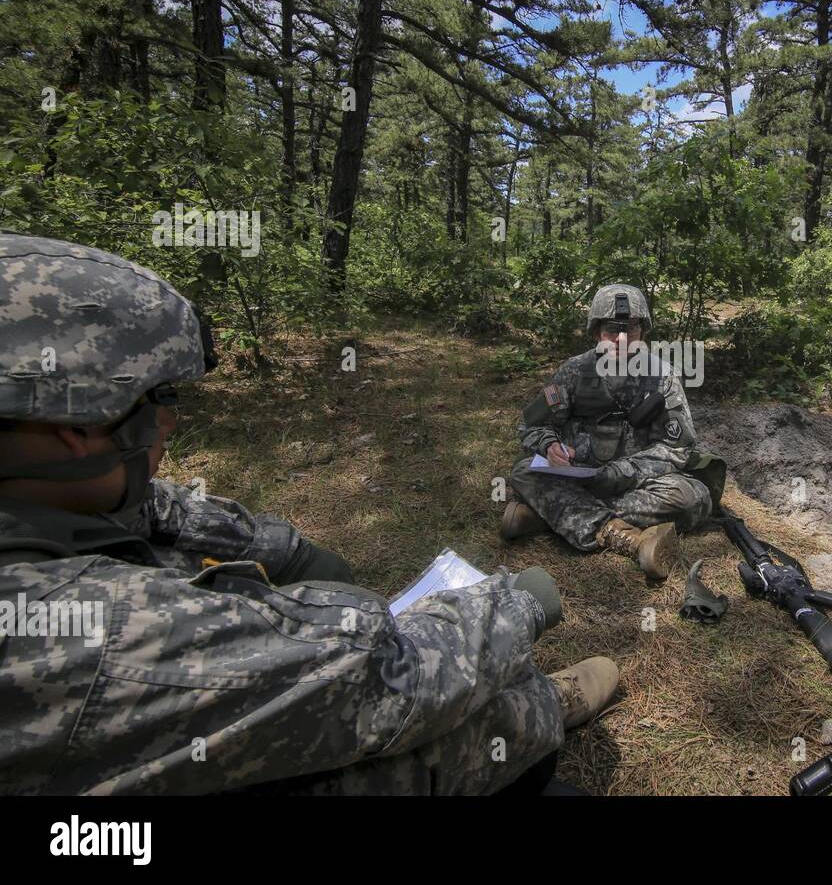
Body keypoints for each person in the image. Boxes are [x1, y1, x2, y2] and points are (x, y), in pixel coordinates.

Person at [0, 233, 618, 794]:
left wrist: (292, 555)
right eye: (156, 397)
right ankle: (536, 708)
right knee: (417, 746)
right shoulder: (72, 629)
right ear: (74, 423)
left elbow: (164, 513)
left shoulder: (48, 500)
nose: (170, 419)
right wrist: (521, 601)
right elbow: (386, 675)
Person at [501, 284, 712, 583]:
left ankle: (544, 516)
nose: (623, 339)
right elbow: (531, 426)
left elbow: (676, 449)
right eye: (613, 330)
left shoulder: (662, 376)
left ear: (644, 330)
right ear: (596, 330)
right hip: (579, 476)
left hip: (636, 482)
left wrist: (622, 471)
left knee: (693, 498)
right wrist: (550, 445)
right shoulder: (573, 372)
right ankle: (624, 536)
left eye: (632, 329)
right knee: (524, 472)